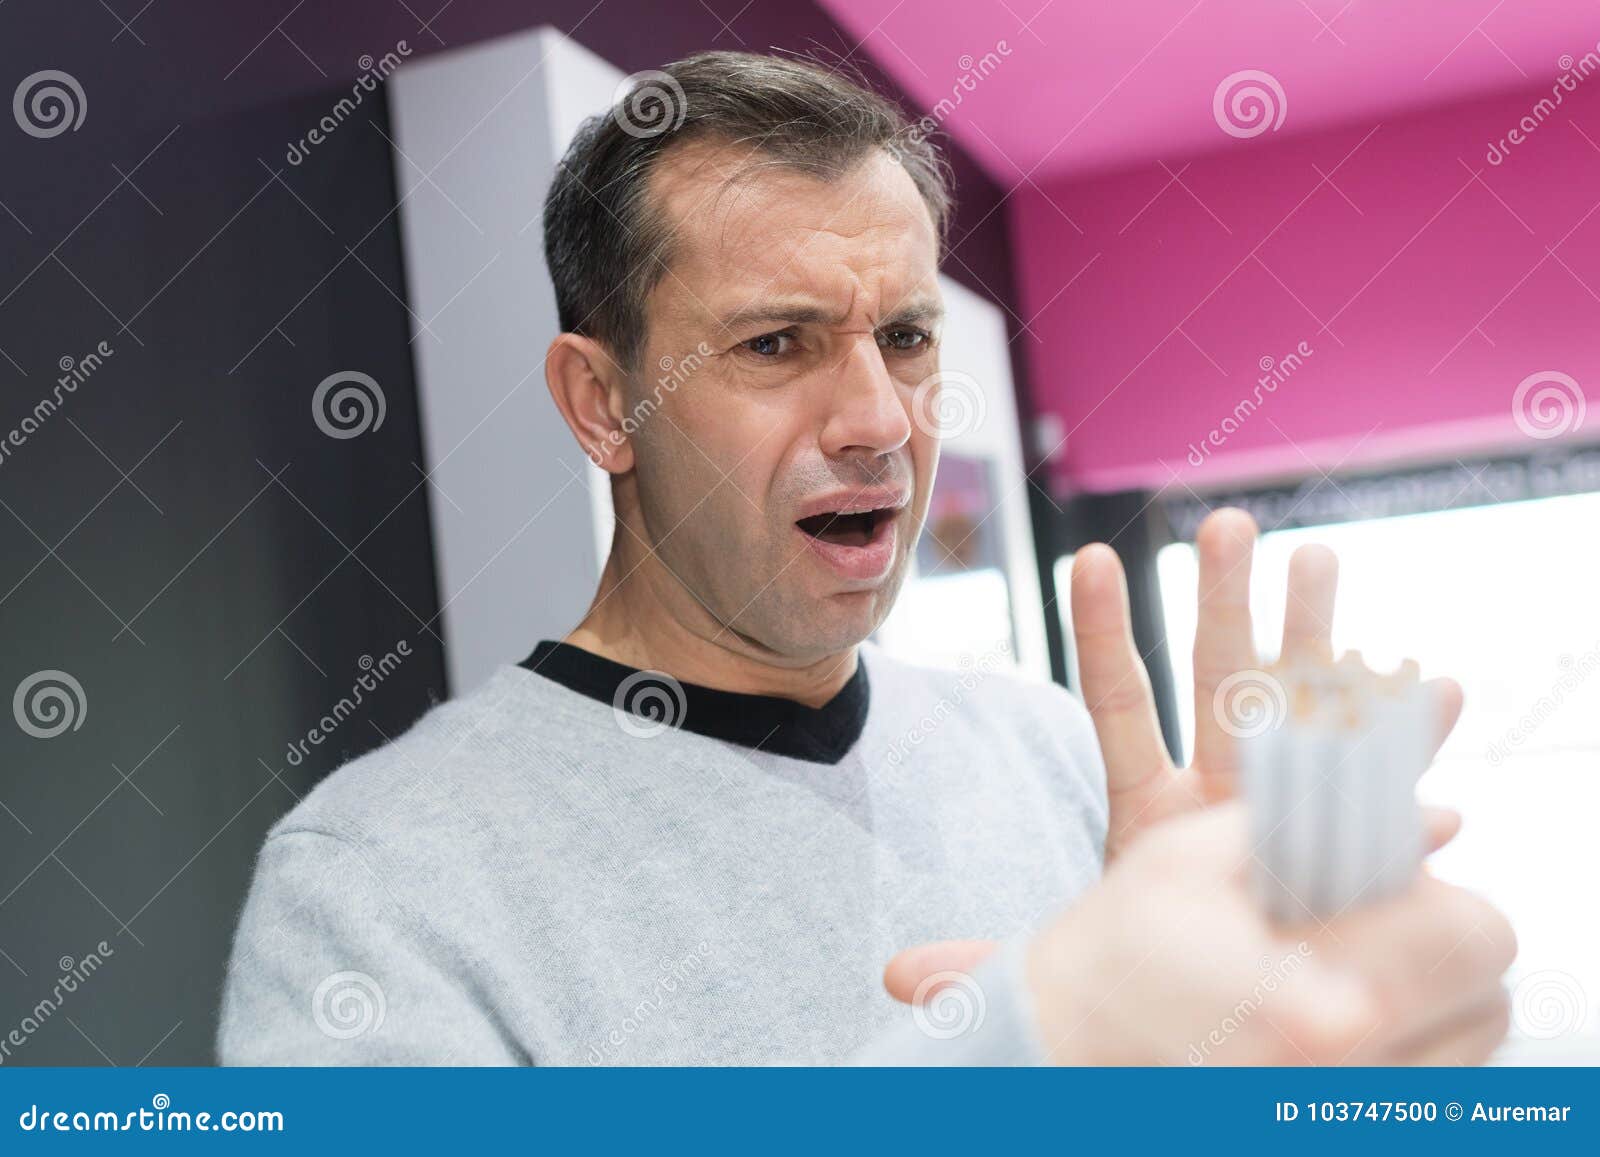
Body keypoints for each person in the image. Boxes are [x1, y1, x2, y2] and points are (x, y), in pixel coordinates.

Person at [217, 50, 1514, 1065]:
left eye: (904, 336)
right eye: (776, 342)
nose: (884, 421)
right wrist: (1039, 1048)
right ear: (605, 405)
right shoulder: (378, 886)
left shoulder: (1047, 750)